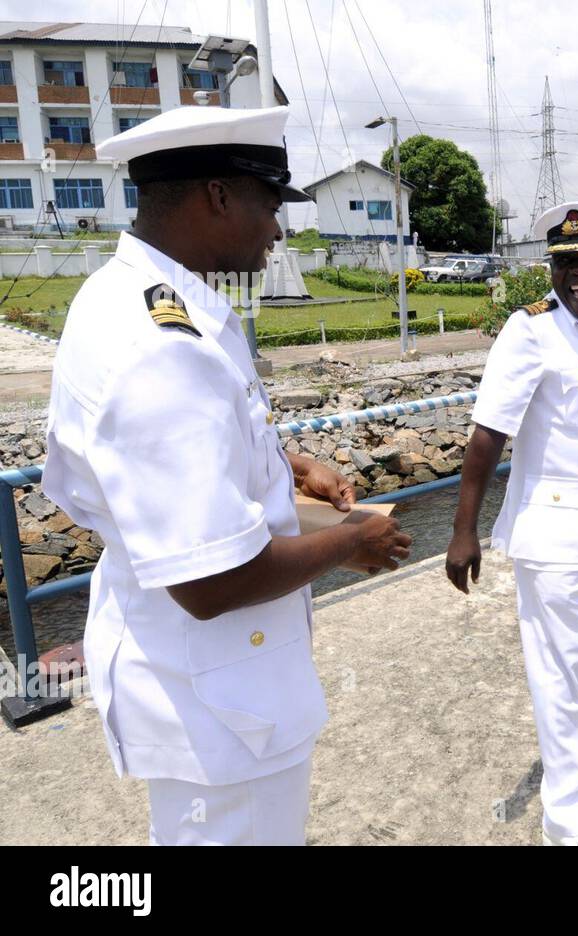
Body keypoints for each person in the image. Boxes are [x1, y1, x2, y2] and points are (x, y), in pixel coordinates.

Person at [42, 105, 412, 845]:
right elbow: (211, 582)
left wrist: (285, 464)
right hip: (221, 708)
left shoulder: (140, 298)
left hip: (208, 686)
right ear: (218, 195)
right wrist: (353, 541)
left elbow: (192, 453)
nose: (278, 230)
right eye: (271, 203)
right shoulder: (161, 349)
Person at [445, 202, 578, 845]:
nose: (577, 275)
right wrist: (464, 529)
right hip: (555, 529)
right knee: (561, 669)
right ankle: (567, 819)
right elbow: (488, 433)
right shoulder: (529, 330)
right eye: (565, 263)